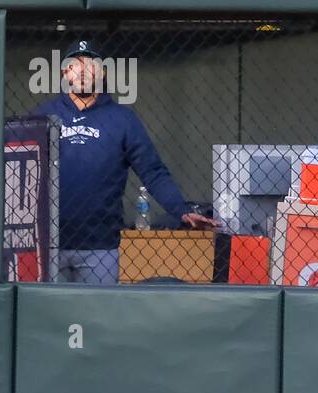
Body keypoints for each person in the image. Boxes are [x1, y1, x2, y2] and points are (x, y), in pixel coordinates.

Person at [35, 40, 216, 284]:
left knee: (99, 317)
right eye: (74, 64)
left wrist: (182, 211)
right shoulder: (44, 115)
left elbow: (152, 171)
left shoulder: (122, 119)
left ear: (103, 72)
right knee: (47, 315)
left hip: (101, 247)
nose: (83, 70)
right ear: (64, 72)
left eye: (91, 64)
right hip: (48, 243)